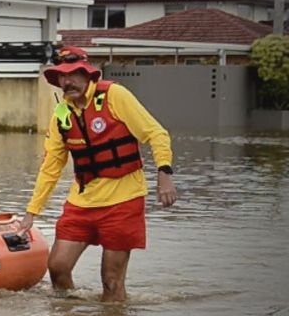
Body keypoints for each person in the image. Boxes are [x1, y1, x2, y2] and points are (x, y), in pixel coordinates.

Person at [17, 46, 178, 302]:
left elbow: (155, 133)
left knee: (111, 281)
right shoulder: (62, 115)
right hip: (82, 203)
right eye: (62, 76)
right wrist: (31, 213)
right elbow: (51, 167)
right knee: (57, 268)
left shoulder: (114, 95)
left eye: (73, 74)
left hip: (123, 202)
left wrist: (164, 172)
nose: (68, 82)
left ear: (89, 74)